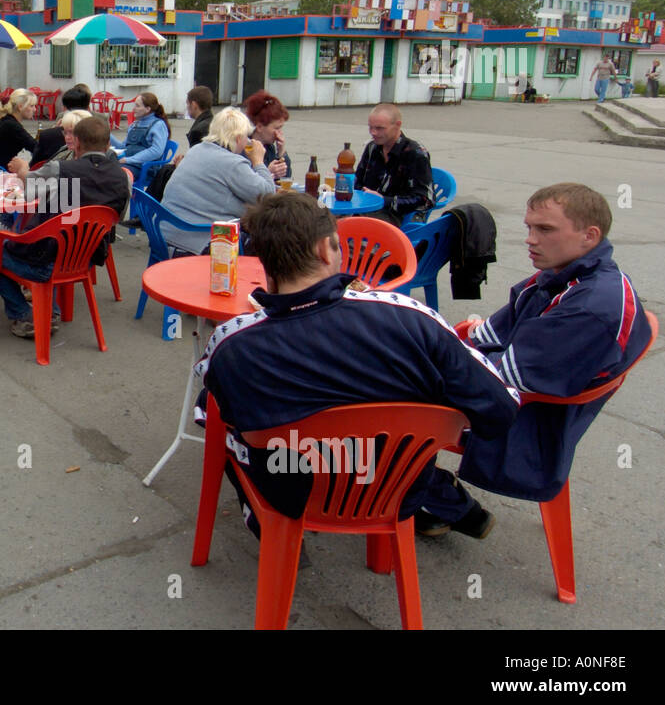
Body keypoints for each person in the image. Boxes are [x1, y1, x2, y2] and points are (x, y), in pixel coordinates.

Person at [194, 192, 519, 540]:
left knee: (209, 412)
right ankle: (448, 502)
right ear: (323, 250)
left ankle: (271, 532)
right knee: (405, 431)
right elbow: (500, 408)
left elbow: (226, 415)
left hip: (293, 491)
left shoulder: (230, 345)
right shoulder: (412, 319)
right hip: (397, 487)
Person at [413, 183, 652, 537]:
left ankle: (433, 502)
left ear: (590, 235)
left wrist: (414, 360)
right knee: (388, 379)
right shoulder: (563, 275)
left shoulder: (591, 307)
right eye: (529, 227)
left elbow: (499, 381)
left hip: (529, 423)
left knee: (375, 403)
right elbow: (487, 336)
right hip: (519, 391)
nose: (530, 239)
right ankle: (423, 497)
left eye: (545, 229)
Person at [0, 116, 131, 339]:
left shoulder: (61, 170)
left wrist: (24, 168)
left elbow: (28, 191)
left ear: (78, 144)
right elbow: (117, 217)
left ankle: (23, 314)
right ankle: (50, 310)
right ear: (108, 145)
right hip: (86, 259)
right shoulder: (122, 178)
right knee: (56, 232)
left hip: (44, 260)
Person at [160, 107, 275, 257]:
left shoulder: (196, 150)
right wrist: (259, 162)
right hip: (198, 242)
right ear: (239, 138)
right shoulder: (232, 163)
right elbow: (267, 196)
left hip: (166, 235)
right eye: (246, 136)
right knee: (270, 242)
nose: (247, 140)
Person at [353, 102, 433, 226]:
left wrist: (384, 200)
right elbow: (358, 182)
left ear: (397, 125)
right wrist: (345, 179)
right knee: (320, 217)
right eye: (370, 127)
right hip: (367, 209)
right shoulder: (372, 147)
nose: (373, 132)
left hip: (399, 216)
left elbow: (425, 200)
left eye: (379, 128)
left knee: (349, 228)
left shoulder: (415, 153)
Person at [30, 84, 91, 165]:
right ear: (88, 108)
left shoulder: (49, 135)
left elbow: (35, 166)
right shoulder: (98, 132)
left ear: (64, 108)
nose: (68, 137)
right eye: (66, 133)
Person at [110, 92, 170, 169]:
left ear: (148, 109)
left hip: (145, 169)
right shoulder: (134, 124)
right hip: (128, 163)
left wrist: (129, 160)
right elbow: (123, 147)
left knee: (114, 174)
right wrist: (106, 133)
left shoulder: (158, 125)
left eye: (137, 106)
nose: (133, 109)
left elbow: (157, 151)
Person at [242, 90, 292, 182]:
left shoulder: (269, 148)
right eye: (276, 128)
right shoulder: (243, 148)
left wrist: (282, 153)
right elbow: (245, 184)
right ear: (260, 127)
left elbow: (286, 179)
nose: (279, 133)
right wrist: (267, 172)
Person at [0, 88, 38, 168]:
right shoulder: (11, 125)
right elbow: (35, 146)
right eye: (31, 106)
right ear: (20, 107)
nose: (35, 109)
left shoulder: (8, 120)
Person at [183, 86, 215, 150]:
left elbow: (197, 157)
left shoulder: (197, 132)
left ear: (194, 105)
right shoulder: (216, 121)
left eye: (187, 103)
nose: (186, 107)